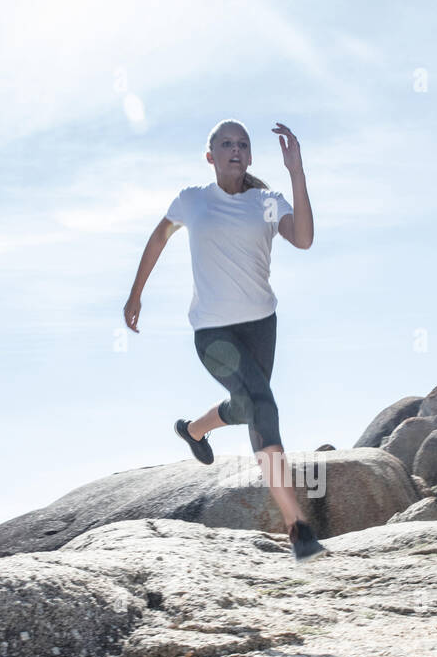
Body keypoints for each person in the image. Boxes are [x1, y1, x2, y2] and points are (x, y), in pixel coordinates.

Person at [123, 118, 328, 562]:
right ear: (210, 155)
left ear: (251, 157)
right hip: (213, 331)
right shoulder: (193, 200)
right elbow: (159, 236)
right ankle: (299, 529)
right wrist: (136, 292)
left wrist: (297, 173)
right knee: (262, 406)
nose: (236, 150)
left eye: (243, 144)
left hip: (261, 325)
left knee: (246, 406)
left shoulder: (267, 203)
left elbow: (305, 239)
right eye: (226, 144)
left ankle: (193, 431)